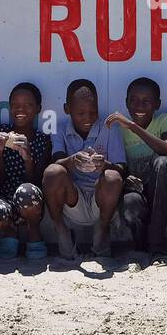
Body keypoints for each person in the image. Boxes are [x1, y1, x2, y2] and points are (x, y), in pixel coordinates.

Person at [44, 79, 140, 259]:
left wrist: (105, 165)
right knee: (52, 172)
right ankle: (61, 229)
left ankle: (102, 231)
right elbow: (56, 163)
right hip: (73, 198)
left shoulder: (110, 128)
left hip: (101, 201)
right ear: (67, 109)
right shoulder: (60, 129)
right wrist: (72, 160)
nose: (87, 118)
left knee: (111, 176)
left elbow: (122, 168)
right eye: (80, 113)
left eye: (93, 112)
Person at [106, 77, 167, 266]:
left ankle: (157, 246)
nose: (139, 106)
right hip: (136, 192)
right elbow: (118, 163)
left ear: (157, 104)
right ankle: (141, 244)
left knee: (162, 162)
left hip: (163, 196)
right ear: (126, 102)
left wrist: (133, 127)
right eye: (134, 100)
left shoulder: (164, 120)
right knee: (130, 204)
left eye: (146, 101)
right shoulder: (117, 129)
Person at [0, 82, 51, 261]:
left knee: (26, 191)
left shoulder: (42, 140)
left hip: (31, 200)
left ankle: (33, 231)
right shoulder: (2, 132)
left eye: (28, 105)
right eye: (15, 105)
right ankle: (10, 231)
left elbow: (37, 179)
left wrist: (27, 157)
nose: (20, 109)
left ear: (38, 108)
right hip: (5, 194)